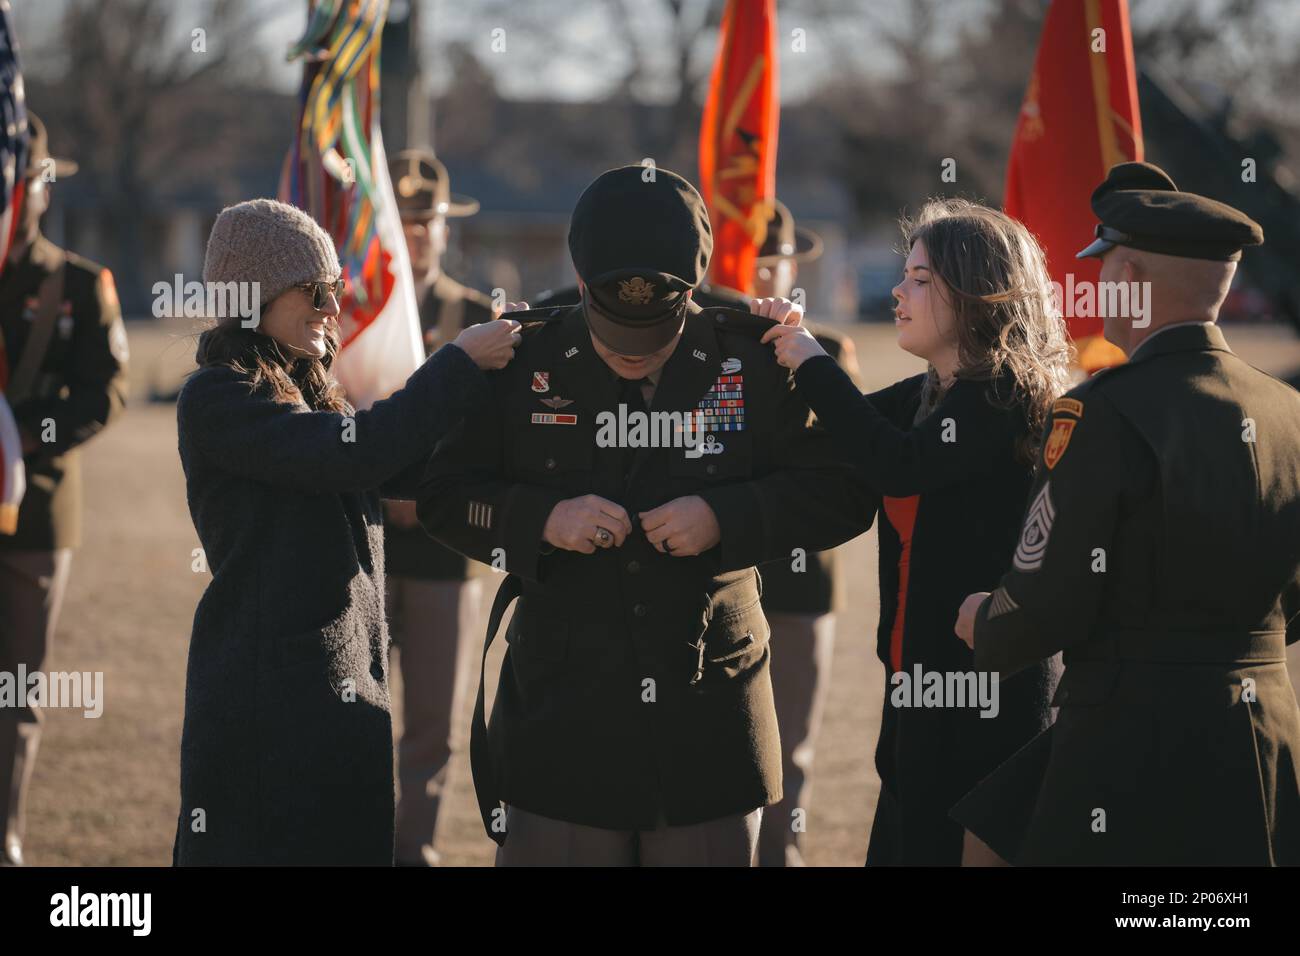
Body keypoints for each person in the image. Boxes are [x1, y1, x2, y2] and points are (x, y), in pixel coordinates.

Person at [417, 165, 875, 866]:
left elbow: (842, 492)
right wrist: (540, 521)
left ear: (690, 290)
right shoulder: (517, 356)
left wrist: (727, 515)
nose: (630, 359)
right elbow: (445, 495)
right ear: (581, 277)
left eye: (652, 340)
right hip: (562, 725)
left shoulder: (753, 360)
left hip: (710, 725)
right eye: (611, 338)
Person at [953, 162, 1300, 866]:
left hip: (1131, 733)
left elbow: (1046, 598)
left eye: (1105, 265)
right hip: (1262, 727)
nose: (1097, 283)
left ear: (1132, 276)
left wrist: (984, 622)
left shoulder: (1102, 412)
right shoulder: (1289, 412)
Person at [172, 198, 519, 865]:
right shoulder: (216, 397)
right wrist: (458, 364)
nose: (336, 307)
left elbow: (412, 465)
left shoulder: (311, 389)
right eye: (318, 291)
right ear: (255, 295)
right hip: (264, 709)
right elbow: (354, 453)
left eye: (340, 289)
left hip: (340, 702)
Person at [764, 198, 1071, 865]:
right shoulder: (925, 393)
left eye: (921, 279)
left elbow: (900, 466)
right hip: (914, 684)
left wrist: (814, 362)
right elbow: (830, 440)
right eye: (904, 275)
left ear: (976, 292)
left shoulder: (1006, 395)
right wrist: (763, 356)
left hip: (991, 697)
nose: (898, 292)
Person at [0, 113, 128, 867]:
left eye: (27, 177)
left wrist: (24, 439)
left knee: (17, 688)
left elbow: (104, 391)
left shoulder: (78, 284)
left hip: (38, 512)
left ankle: (6, 829)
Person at [383, 148, 495, 866]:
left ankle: (412, 849)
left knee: (432, 721)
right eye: (406, 220)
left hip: (444, 544)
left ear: (446, 229)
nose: (419, 233)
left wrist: (427, 494)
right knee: (346, 710)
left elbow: (492, 437)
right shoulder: (353, 309)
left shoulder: (476, 316)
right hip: (358, 537)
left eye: (429, 221)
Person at [747, 200, 861, 867]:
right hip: (723, 569)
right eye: (755, 258)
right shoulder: (706, 348)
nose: (766, 271)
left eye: (777, 260)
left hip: (800, 578)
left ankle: (781, 854)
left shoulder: (829, 350)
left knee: (793, 740)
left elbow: (841, 465)